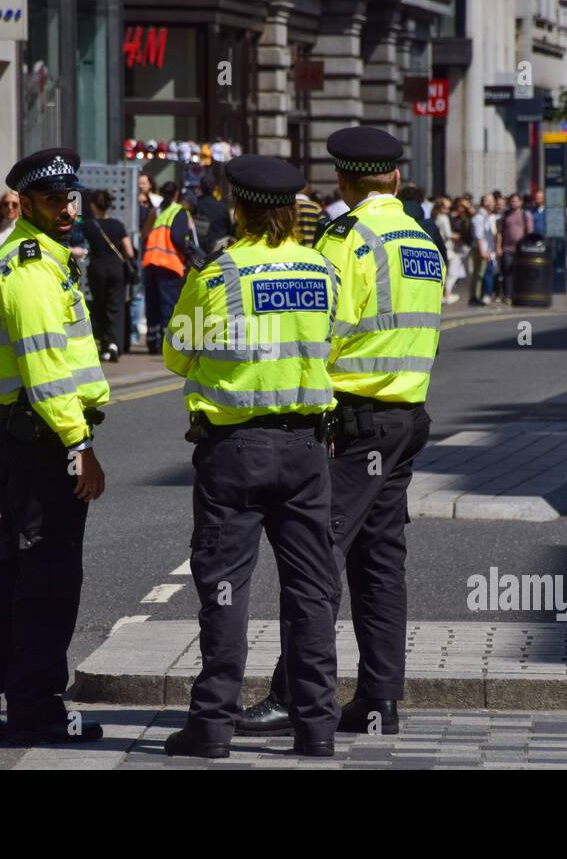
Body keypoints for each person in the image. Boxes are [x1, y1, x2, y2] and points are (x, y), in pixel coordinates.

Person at [238, 127, 442, 741]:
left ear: (344, 183)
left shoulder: (346, 239)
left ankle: (293, 697)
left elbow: (316, 323)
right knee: (380, 565)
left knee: (316, 559)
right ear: (397, 180)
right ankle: (379, 702)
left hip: (353, 420)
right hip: (407, 417)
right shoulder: (422, 239)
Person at [162, 154, 341, 758]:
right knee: (312, 589)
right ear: (293, 210)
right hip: (305, 449)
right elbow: (333, 344)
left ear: (236, 207)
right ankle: (316, 728)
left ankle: (212, 726)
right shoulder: (322, 272)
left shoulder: (217, 275)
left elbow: (176, 355)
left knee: (224, 588)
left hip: (233, 452)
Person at [0, 147, 109, 746]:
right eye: (51, 200)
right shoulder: (31, 267)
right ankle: (36, 713)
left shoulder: (44, 260)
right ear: (24, 203)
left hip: (30, 437)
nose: (66, 209)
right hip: (42, 440)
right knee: (46, 582)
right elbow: (45, 373)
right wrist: (80, 444)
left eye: (69, 198)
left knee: (15, 578)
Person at [141, 182, 201, 353]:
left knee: (153, 305)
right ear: (176, 195)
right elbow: (178, 237)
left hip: (150, 262)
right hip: (168, 263)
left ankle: (153, 342)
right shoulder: (179, 211)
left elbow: (144, 234)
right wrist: (191, 255)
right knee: (168, 305)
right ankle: (167, 344)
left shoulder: (157, 212)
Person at [81, 190, 133, 363]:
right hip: (116, 269)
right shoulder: (118, 225)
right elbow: (129, 251)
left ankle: (104, 345)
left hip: (97, 269)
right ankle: (115, 345)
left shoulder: (88, 226)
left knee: (100, 307)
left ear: (93, 205)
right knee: (116, 308)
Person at [498, 193, 534, 304]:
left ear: (520, 202)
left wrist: (528, 247)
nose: (513, 203)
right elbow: (500, 232)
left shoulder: (525, 215)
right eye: (512, 201)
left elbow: (529, 232)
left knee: (520, 273)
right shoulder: (505, 215)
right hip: (507, 248)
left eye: (516, 201)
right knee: (507, 272)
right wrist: (498, 246)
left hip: (521, 249)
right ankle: (507, 296)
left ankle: (520, 294)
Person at [469, 193, 495, 306]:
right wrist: (482, 251)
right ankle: (476, 297)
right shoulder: (480, 217)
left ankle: (477, 296)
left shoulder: (487, 216)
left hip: (485, 249)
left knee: (481, 273)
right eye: (492, 201)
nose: (493, 203)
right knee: (479, 274)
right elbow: (479, 236)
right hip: (480, 250)